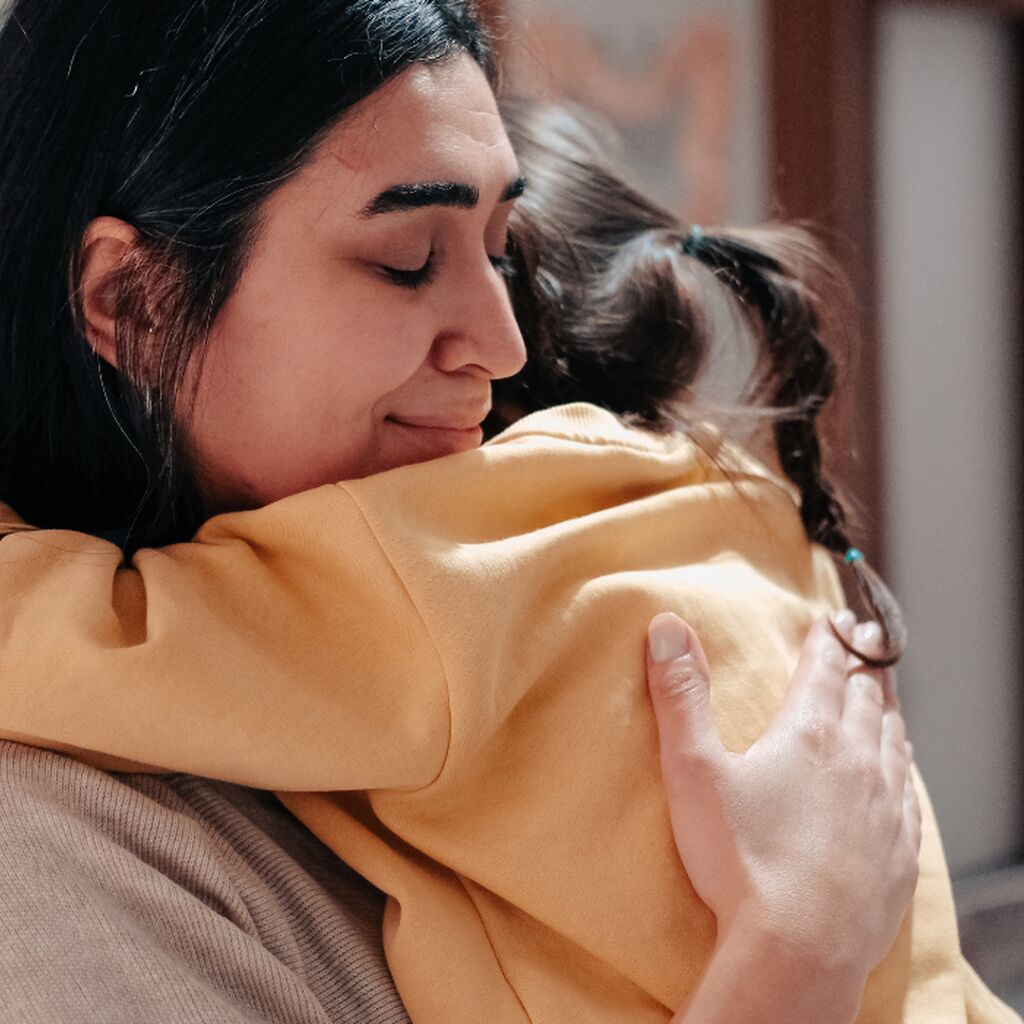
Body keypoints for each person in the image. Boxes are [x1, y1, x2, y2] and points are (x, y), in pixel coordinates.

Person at [0, 2, 1012, 1023]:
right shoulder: (694, 494)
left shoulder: (418, 578)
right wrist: (800, 947)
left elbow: (51, 635)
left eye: (498, 247)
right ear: (128, 300)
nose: (501, 343)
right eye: (406, 261)